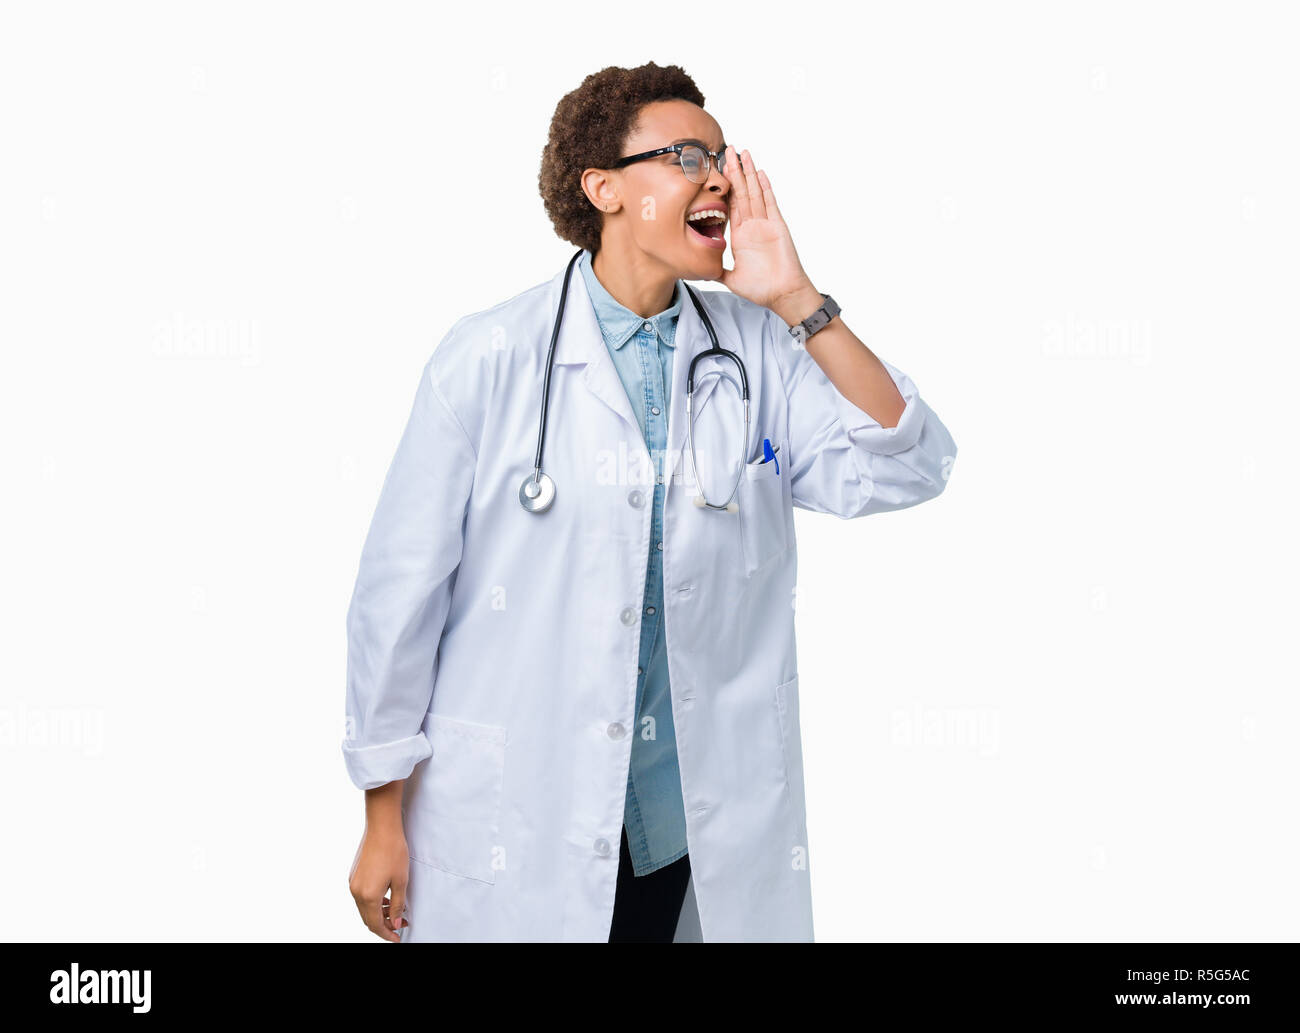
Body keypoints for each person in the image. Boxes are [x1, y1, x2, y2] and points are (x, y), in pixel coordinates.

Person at [344, 61, 958, 943]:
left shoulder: (762, 350)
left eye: (721, 155)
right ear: (603, 188)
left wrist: (797, 298)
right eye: (683, 155)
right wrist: (381, 811)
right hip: (526, 820)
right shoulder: (488, 358)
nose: (717, 176)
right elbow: (398, 598)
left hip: (688, 824)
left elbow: (910, 462)